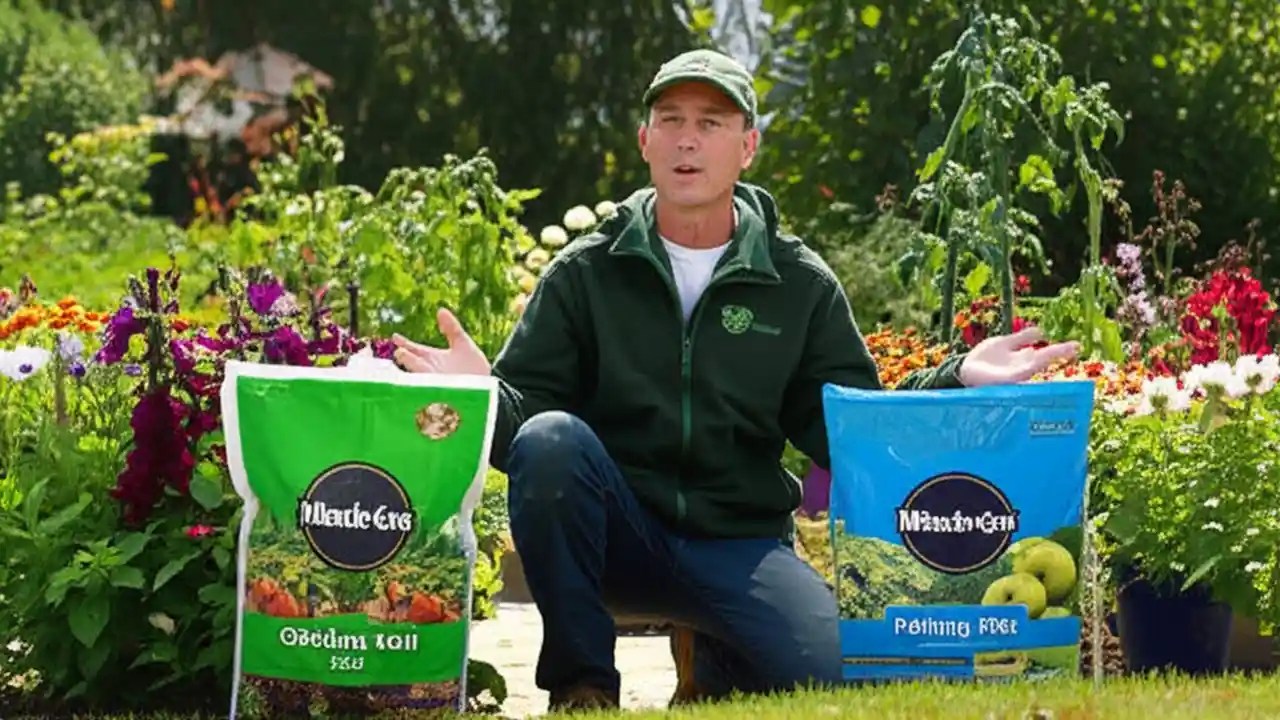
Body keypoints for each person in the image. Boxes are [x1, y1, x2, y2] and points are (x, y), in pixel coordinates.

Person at [392, 48, 1079, 712]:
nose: (688, 141)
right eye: (672, 121)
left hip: (739, 547)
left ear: (747, 147)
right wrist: (481, 394)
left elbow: (855, 428)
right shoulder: (587, 271)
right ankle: (584, 687)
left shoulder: (798, 282)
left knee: (832, 680)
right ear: (644, 141)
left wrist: (956, 378)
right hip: (617, 539)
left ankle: (714, 662)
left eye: (711, 124)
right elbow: (525, 435)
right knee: (551, 439)